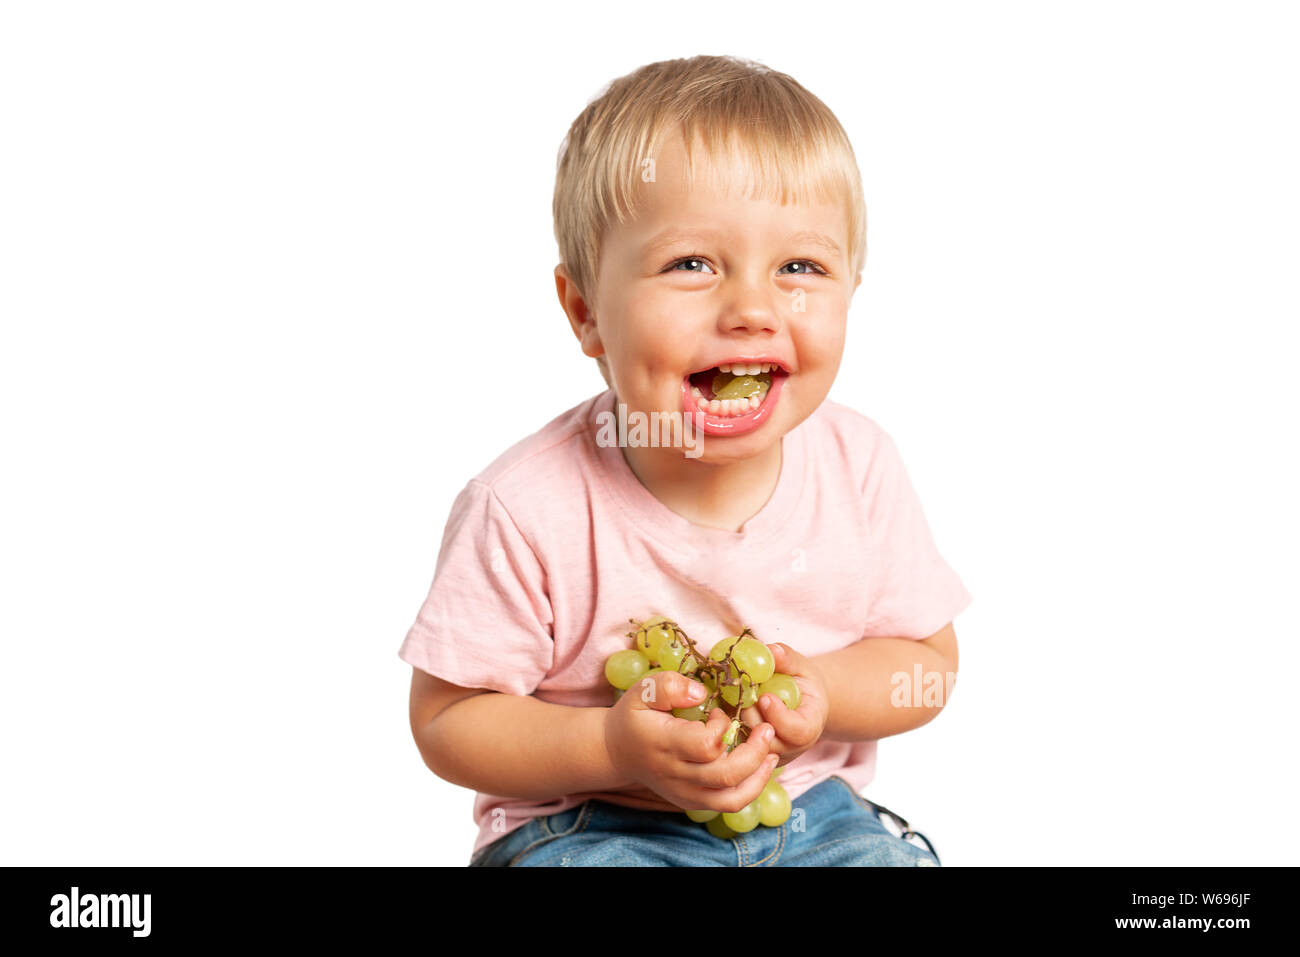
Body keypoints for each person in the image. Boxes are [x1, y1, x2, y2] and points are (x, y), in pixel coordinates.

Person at [399, 54, 972, 866]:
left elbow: (928, 662)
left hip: (812, 819)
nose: (751, 309)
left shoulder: (860, 464)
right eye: (691, 264)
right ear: (586, 311)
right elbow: (449, 720)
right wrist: (610, 747)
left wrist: (821, 691)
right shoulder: (526, 505)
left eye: (799, 267)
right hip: (598, 826)